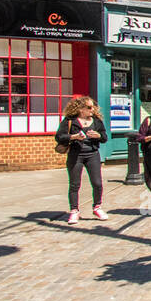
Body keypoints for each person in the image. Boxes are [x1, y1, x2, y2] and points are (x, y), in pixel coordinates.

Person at [56, 96, 108, 225]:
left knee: (97, 183)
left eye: (93, 107)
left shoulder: (96, 121)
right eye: (89, 107)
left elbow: (105, 137)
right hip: (76, 155)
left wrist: (98, 136)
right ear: (80, 109)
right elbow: (59, 136)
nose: (92, 110)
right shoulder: (70, 121)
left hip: (92, 154)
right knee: (74, 184)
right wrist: (74, 137)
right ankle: (74, 211)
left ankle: (97, 207)